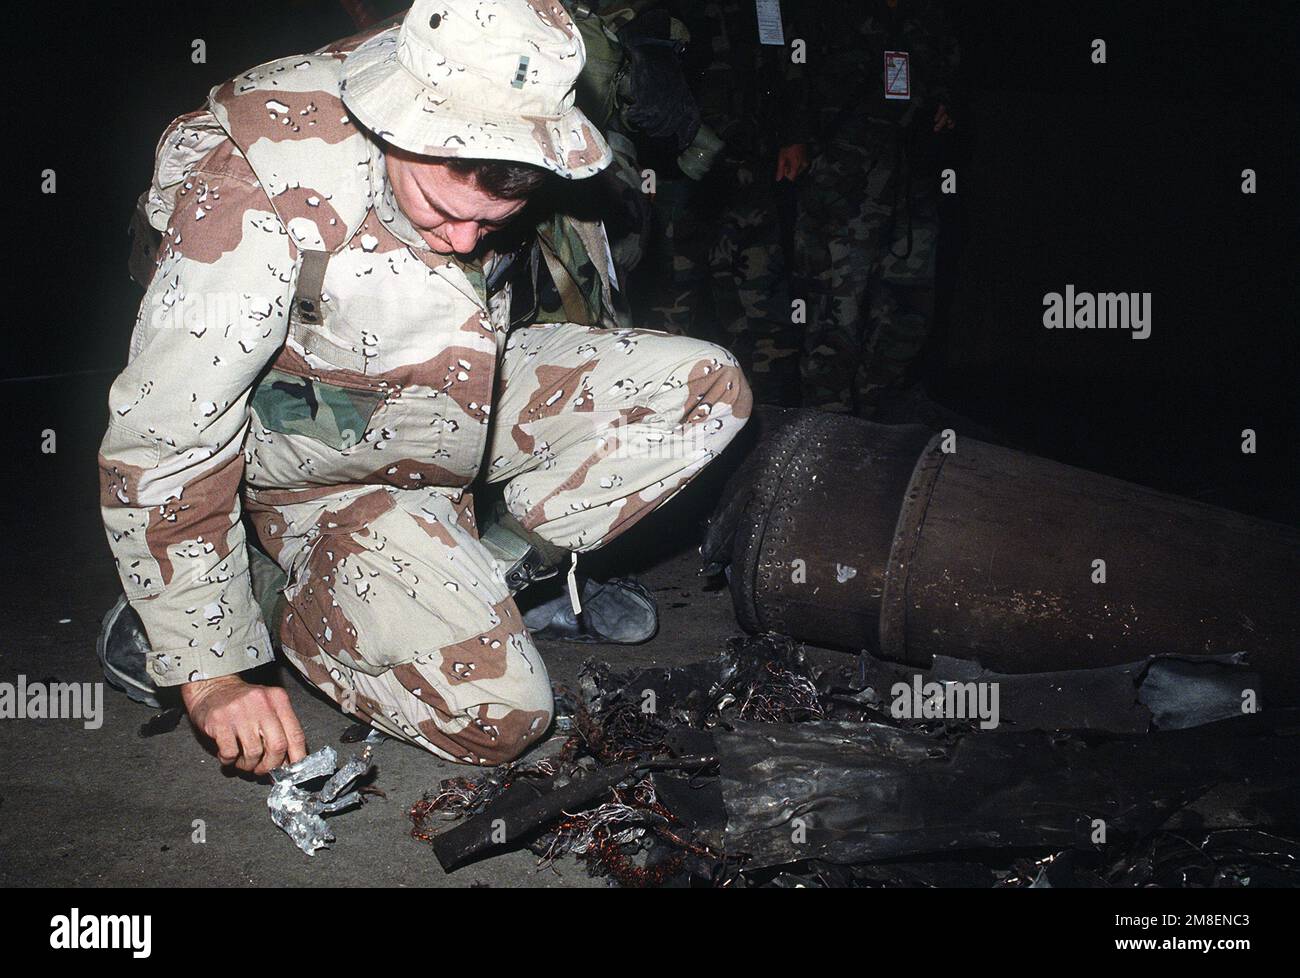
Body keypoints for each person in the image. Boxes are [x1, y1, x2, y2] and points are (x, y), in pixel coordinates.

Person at [96, 0, 751, 775]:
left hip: (452, 399)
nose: (468, 241)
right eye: (444, 212)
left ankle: (488, 578)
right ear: (399, 124)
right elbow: (165, 434)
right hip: (316, 469)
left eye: (496, 216)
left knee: (703, 389)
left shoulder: (505, 97)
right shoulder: (259, 177)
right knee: (500, 718)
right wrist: (210, 670)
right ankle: (275, 591)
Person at [795, 0, 958, 415]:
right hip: (845, 180)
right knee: (838, 306)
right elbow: (790, 77)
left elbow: (949, 78)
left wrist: (946, 106)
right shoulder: (831, 14)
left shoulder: (932, 16)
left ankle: (881, 405)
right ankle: (826, 417)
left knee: (909, 303)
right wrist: (794, 139)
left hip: (911, 182)